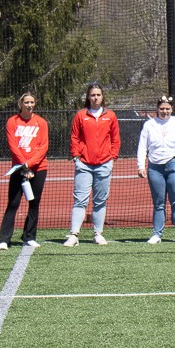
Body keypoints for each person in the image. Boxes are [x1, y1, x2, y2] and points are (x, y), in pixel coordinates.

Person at [64, 82, 119, 246]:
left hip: (104, 164)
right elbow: (74, 137)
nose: (95, 98)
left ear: (103, 97)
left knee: (100, 201)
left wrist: (112, 158)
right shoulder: (81, 115)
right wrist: (76, 157)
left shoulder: (111, 116)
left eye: (98, 95)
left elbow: (115, 139)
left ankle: (98, 233)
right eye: (92, 95)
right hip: (84, 165)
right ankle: (74, 235)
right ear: (88, 97)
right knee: (80, 200)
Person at [135, 94, 175, 244]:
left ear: (172, 109)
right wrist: (140, 165)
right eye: (162, 108)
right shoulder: (149, 124)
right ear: (157, 109)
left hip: (174, 165)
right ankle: (157, 234)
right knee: (159, 202)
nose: (165, 111)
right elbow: (142, 146)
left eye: (167, 109)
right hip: (155, 168)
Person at [0, 91, 49, 249]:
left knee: (34, 203)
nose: (29, 105)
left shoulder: (41, 122)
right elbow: (13, 145)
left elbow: (43, 147)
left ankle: (29, 236)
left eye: (32, 102)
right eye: (26, 102)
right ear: (21, 104)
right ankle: (4, 240)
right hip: (18, 168)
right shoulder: (12, 121)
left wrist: (31, 164)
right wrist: (24, 165)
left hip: (39, 168)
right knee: (13, 203)